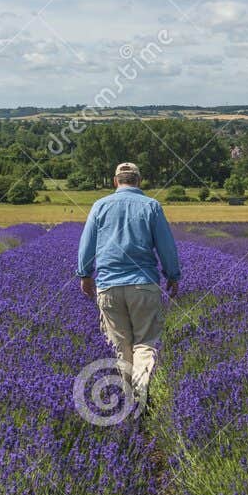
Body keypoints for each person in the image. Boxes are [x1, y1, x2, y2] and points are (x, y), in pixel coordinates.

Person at [77, 162, 180, 414]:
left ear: (115, 182)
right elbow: (166, 246)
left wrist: (85, 275)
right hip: (144, 284)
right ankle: (141, 400)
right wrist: (173, 275)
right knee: (145, 343)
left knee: (120, 346)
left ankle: (124, 403)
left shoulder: (100, 206)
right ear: (139, 180)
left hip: (109, 286)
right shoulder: (151, 206)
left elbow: (87, 245)